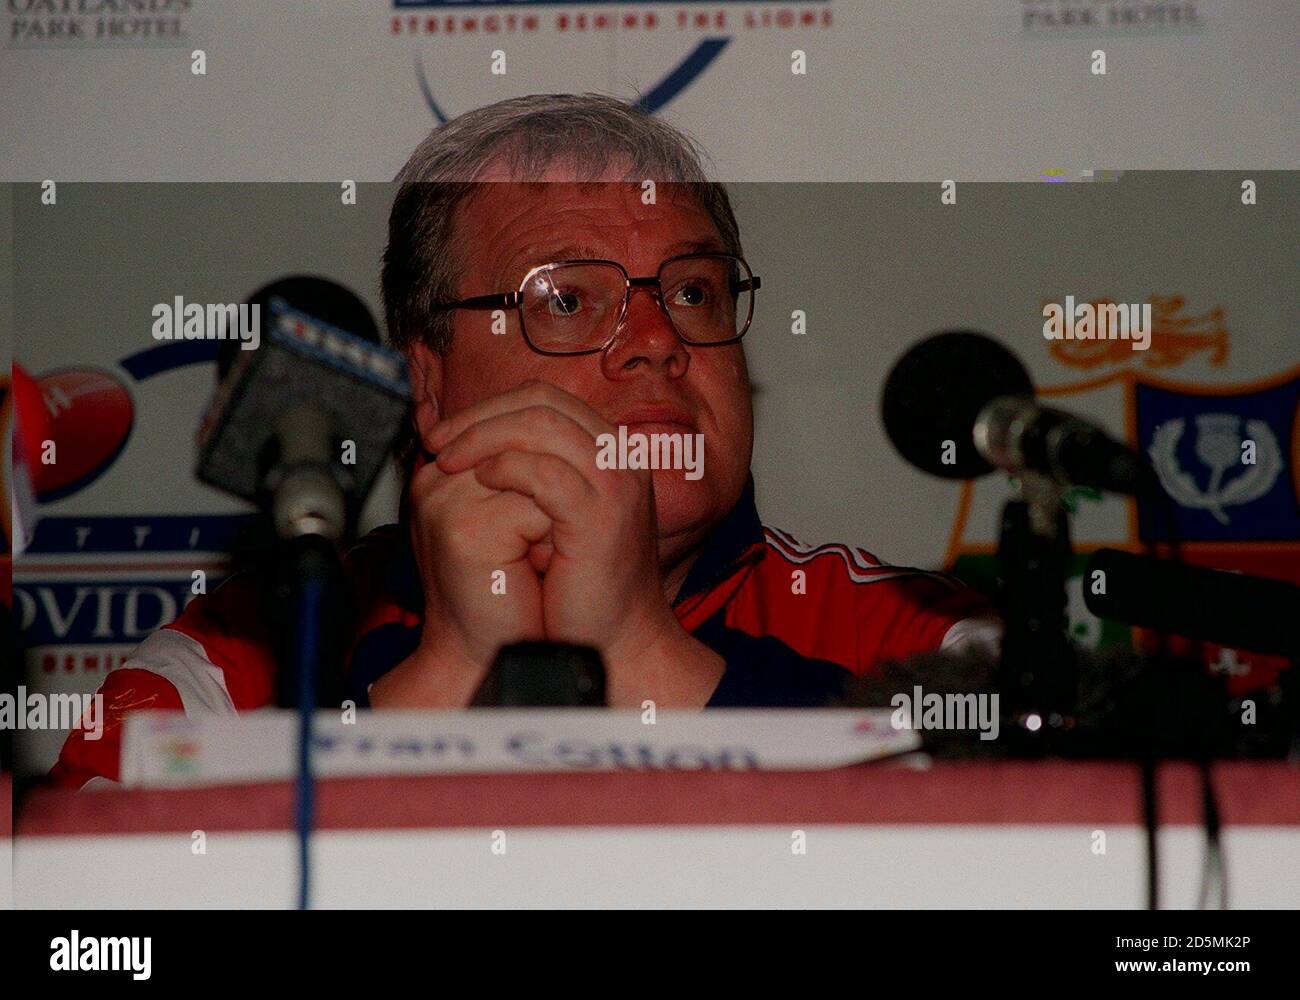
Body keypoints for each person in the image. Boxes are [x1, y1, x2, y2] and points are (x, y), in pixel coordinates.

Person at [51, 93, 995, 788]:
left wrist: (639, 652)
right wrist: (441, 686)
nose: (660, 341)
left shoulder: (920, 635)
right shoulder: (238, 655)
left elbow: (1052, 860)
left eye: (694, 291)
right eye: (569, 300)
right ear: (427, 383)